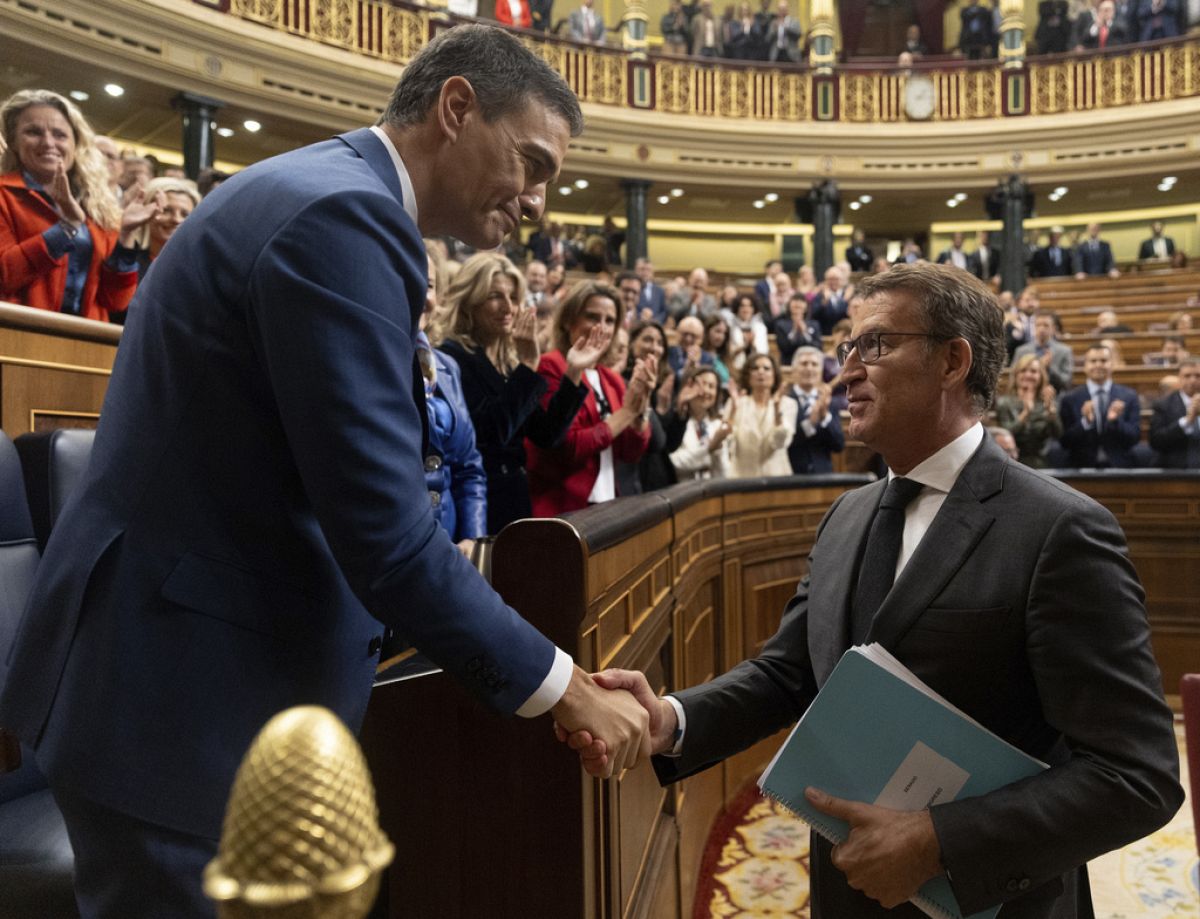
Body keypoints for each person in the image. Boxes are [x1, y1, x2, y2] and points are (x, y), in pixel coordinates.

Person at [0, 27, 653, 917]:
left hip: (182, 681)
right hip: (185, 708)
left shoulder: (325, 192)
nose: (538, 202)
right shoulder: (343, 216)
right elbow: (382, 535)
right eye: (531, 163)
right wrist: (565, 685)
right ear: (457, 108)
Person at [562, 261, 1182, 918]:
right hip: (846, 888)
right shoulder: (847, 514)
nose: (847, 370)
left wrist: (942, 841)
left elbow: (1137, 773)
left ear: (952, 361)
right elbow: (790, 671)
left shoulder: (1062, 529)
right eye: (847, 347)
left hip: (994, 900)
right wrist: (672, 719)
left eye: (876, 345)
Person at [437, 253, 599, 533]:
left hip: (514, 501)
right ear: (470, 301)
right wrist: (527, 367)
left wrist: (573, 371)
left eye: (513, 297)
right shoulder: (452, 358)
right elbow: (489, 434)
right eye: (495, 296)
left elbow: (547, 435)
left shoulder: (508, 363)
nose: (508, 307)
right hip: (479, 505)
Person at [0, 89, 159, 322]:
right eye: (33, 132)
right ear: (13, 141)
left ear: (76, 143)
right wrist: (66, 228)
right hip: (15, 337)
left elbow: (116, 300)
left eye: (60, 134)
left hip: (85, 343)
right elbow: (5, 275)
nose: (48, 142)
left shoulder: (96, 204)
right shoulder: (3, 194)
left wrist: (126, 235)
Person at [526, 280, 654, 515]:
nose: (602, 327)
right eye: (592, 317)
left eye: (610, 320)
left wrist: (640, 408)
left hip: (606, 505)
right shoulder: (551, 366)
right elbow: (569, 447)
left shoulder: (612, 379)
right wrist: (625, 413)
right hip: (561, 506)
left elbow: (630, 453)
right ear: (568, 321)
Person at [1059, 344, 1142, 467]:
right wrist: (1085, 422)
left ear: (1112, 365)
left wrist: (1115, 422)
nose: (1098, 365)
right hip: (1080, 468)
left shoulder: (1129, 396)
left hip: (1120, 468)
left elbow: (1134, 438)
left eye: (1103, 361)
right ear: (1085, 366)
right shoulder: (1070, 399)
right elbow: (1065, 442)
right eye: (1093, 361)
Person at [727, 352, 796, 477]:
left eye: (766, 368)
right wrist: (732, 412)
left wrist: (776, 412)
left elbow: (780, 443)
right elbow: (728, 444)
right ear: (748, 375)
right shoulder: (736, 403)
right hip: (741, 479)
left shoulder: (787, 404)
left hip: (776, 479)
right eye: (755, 368)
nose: (761, 372)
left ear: (774, 375)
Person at [993, 353, 1063, 467]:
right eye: (1023, 371)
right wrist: (1025, 414)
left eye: (1033, 371)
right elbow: (1004, 436)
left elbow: (1058, 435)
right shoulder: (1005, 403)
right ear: (1016, 375)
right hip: (1012, 462)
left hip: (1042, 462)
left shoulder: (1047, 402)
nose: (1028, 375)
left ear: (1041, 376)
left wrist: (1051, 414)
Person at [785, 345, 844, 474]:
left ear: (821, 370)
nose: (809, 368)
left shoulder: (830, 403)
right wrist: (810, 423)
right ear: (794, 369)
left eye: (814, 364)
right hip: (790, 476)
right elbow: (784, 443)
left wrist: (825, 418)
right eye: (804, 364)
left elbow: (838, 445)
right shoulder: (784, 401)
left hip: (823, 477)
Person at [129, 176, 200, 282]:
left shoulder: (199, 269)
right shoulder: (127, 263)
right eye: (166, 210)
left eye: (185, 214)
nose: (176, 219)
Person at [668, 365, 731, 481]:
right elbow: (675, 462)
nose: (706, 391)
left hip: (714, 493)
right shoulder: (677, 422)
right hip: (683, 494)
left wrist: (718, 451)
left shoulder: (717, 425)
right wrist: (709, 448)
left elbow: (724, 473)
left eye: (711, 386)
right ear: (689, 386)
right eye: (702, 384)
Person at [1148, 357, 1199, 467]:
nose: (1193, 380)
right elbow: (1156, 441)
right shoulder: (1163, 405)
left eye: (1198, 376)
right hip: (1174, 470)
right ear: (1179, 379)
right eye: (1187, 376)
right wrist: (1186, 421)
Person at [1011, 309, 1073, 392]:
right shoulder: (1021, 351)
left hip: (1055, 397)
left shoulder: (1065, 351)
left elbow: (1066, 383)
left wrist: (1050, 368)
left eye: (1046, 325)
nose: (1041, 329)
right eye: (1038, 325)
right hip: (1025, 394)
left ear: (1054, 328)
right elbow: (1013, 378)